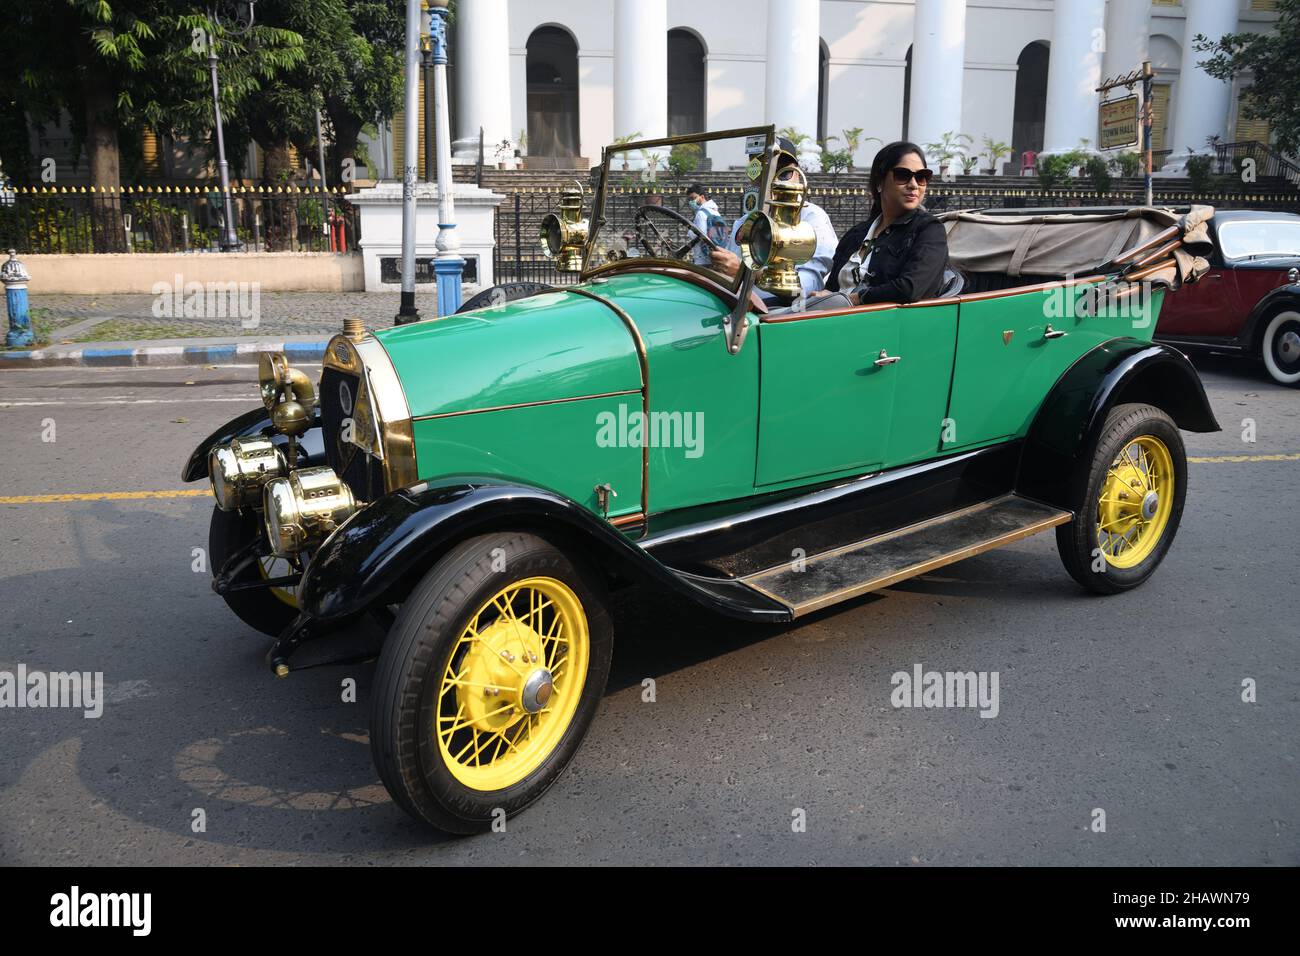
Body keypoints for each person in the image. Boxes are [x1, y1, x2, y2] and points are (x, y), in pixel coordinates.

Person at [821, 141, 948, 305]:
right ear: (879, 183)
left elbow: (909, 288)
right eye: (902, 175)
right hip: (831, 318)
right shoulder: (856, 234)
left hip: (883, 324)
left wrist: (850, 300)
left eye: (921, 177)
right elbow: (831, 287)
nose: (914, 185)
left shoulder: (929, 230)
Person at [708, 137, 838, 297]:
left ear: (798, 174)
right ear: (754, 179)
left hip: (781, 313)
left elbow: (808, 285)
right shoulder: (745, 222)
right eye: (765, 174)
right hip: (739, 306)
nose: (774, 181)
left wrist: (747, 273)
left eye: (784, 173)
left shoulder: (812, 217)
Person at [685, 184, 726, 266]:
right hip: (714, 256)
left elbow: (700, 235)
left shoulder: (701, 213)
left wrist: (690, 232)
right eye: (690, 199)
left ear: (702, 197)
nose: (691, 201)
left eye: (693, 198)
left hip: (702, 258)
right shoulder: (715, 212)